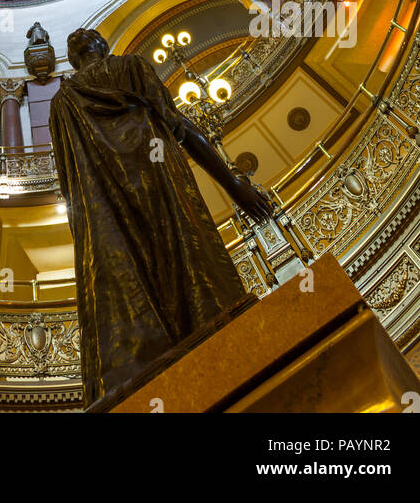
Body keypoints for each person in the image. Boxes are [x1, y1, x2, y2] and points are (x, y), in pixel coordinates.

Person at [49, 28, 275, 411]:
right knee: (187, 253)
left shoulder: (61, 103)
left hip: (103, 205)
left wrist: (86, 232)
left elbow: (70, 184)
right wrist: (233, 185)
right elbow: (179, 126)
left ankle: (135, 362)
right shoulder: (130, 66)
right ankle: (212, 329)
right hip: (157, 176)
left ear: (74, 59)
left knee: (122, 274)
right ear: (102, 46)